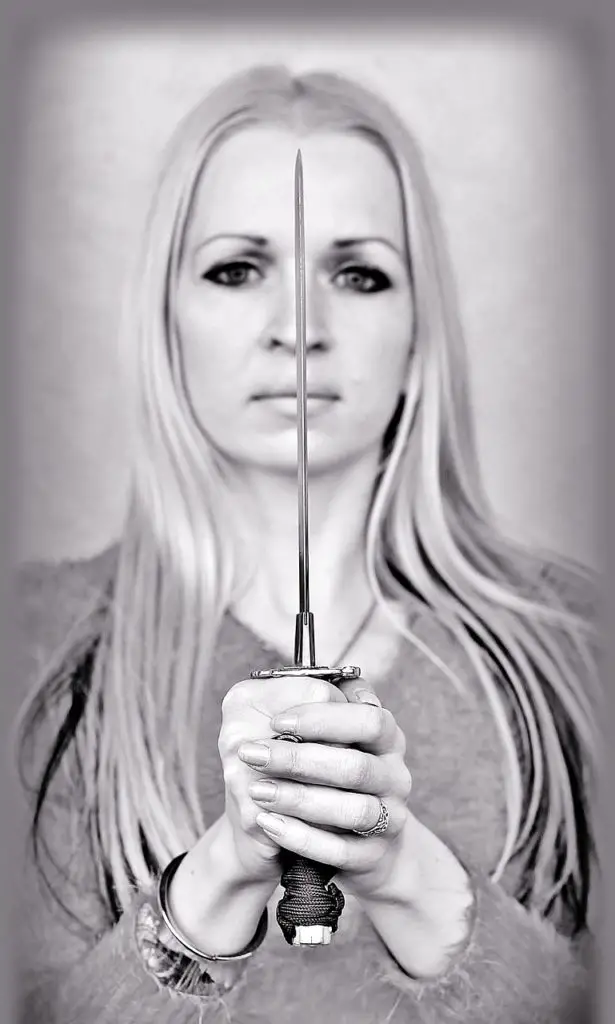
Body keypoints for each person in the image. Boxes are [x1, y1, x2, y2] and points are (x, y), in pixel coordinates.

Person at [14, 64, 601, 1023]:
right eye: (236, 270)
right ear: (165, 320)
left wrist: (411, 880)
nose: (298, 328)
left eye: (358, 274)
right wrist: (213, 885)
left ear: (419, 332)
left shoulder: (581, 646)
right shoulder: (28, 646)